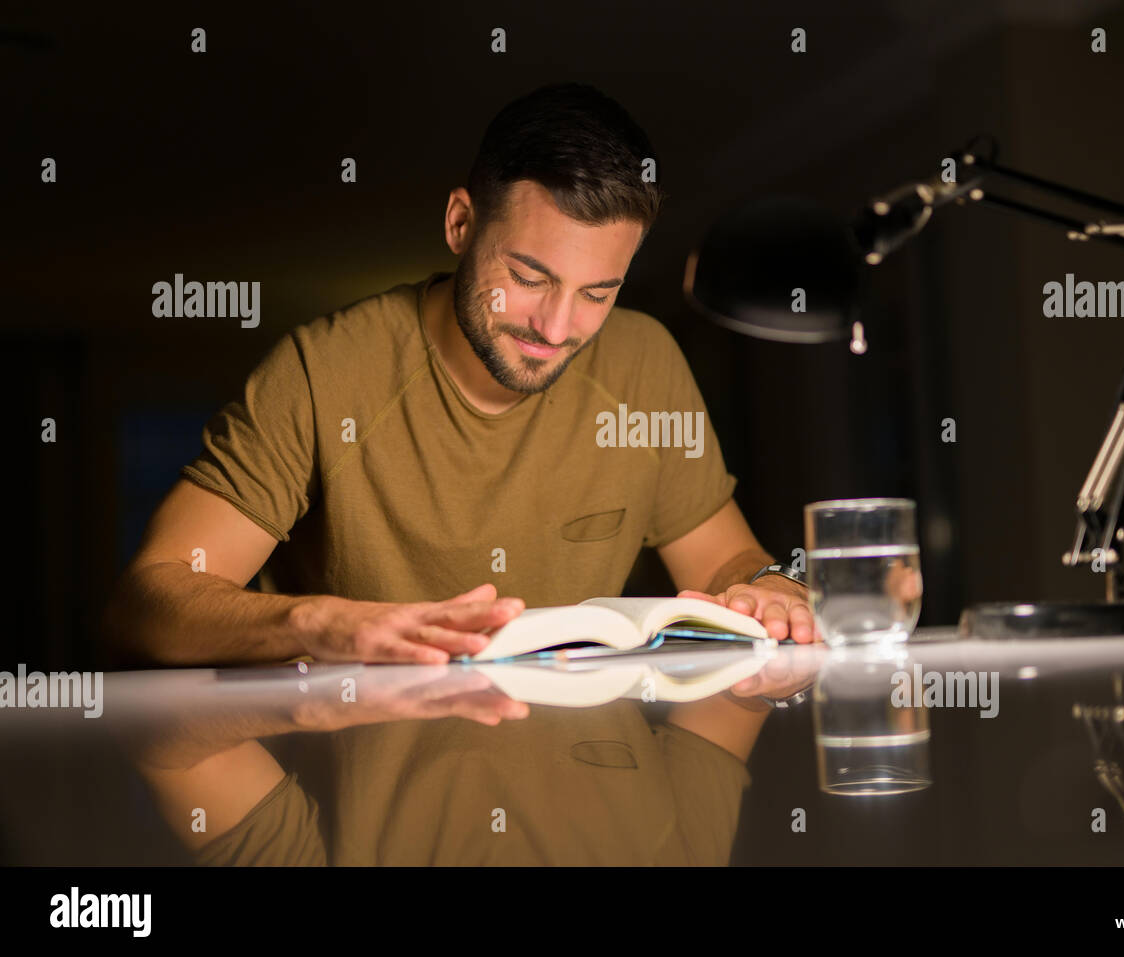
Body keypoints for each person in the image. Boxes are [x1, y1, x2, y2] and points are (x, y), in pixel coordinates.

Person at [102, 81, 817, 668]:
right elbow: (150, 600)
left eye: (598, 292)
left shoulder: (644, 361)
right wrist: (323, 625)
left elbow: (727, 560)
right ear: (459, 223)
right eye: (530, 276)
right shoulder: (323, 371)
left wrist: (762, 588)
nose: (557, 326)